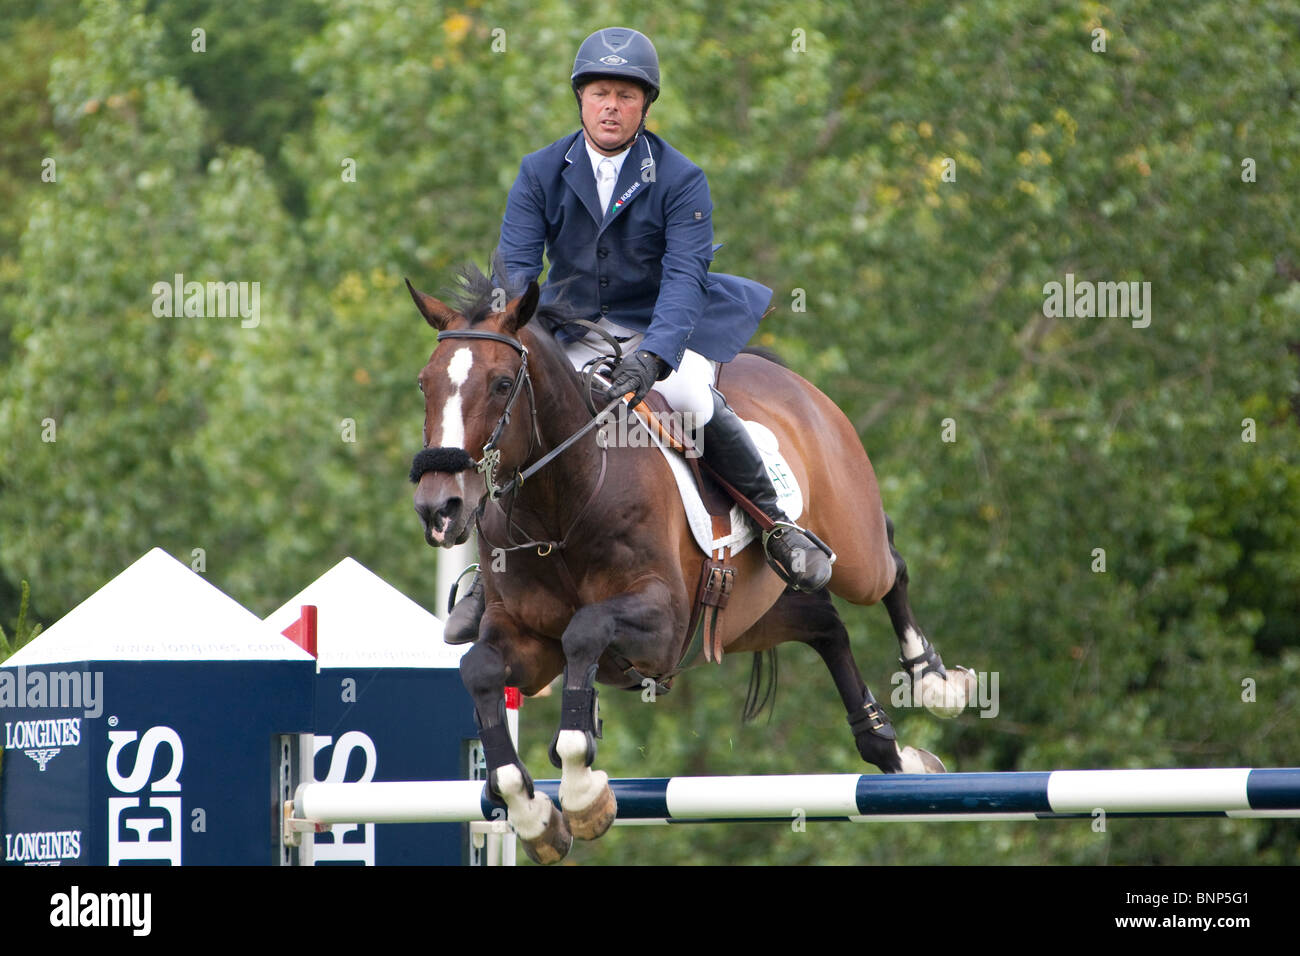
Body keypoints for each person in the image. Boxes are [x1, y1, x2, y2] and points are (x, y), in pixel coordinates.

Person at [444, 26, 831, 644]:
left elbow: (683, 277)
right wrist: (505, 331)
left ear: (645, 106)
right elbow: (515, 270)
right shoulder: (540, 171)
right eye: (600, 93)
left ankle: (777, 525)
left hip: (662, 325)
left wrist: (654, 358)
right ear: (580, 99)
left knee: (694, 402)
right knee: (514, 407)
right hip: (570, 328)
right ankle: (484, 573)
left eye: (625, 96)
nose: (611, 107)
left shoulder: (680, 178)